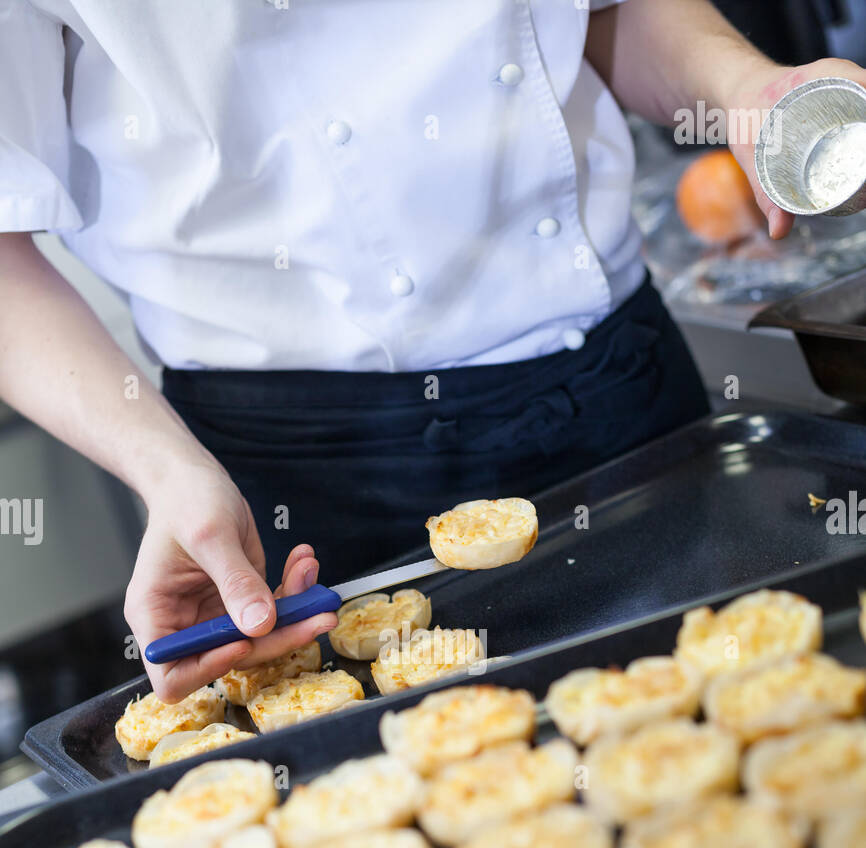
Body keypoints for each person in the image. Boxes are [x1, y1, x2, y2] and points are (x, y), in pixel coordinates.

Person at [0, 0, 861, 700]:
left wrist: (746, 89)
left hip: (617, 390)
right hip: (289, 483)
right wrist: (168, 476)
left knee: (762, 724)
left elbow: (601, 14)